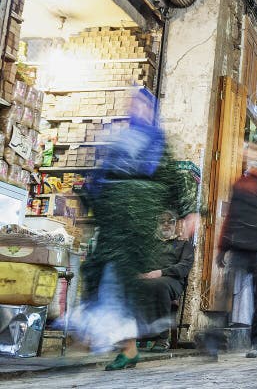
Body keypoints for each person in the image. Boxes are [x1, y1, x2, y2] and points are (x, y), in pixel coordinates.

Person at [75, 88, 197, 371]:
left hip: (137, 223)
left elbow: (173, 179)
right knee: (101, 278)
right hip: (113, 222)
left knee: (121, 284)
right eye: (133, 105)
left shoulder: (157, 143)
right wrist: (88, 204)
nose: (136, 109)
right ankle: (123, 347)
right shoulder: (119, 141)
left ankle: (123, 346)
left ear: (151, 111)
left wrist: (190, 212)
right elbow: (101, 177)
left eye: (142, 105)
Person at [216, 165, 257, 358]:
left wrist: (223, 247)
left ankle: (219, 337)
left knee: (228, 292)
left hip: (248, 247)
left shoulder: (247, 184)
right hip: (255, 248)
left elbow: (232, 218)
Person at [137, 211, 195, 352]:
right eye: (162, 221)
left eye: (170, 221)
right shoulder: (151, 245)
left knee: (159, 285)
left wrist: (160, 272)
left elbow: (184, 267)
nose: (166, 224)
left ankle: (162, 338)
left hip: (172, 281)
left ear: (176, 224)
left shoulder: (183, 245)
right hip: (149, 278)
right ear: (157, 224)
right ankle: (138, 336)